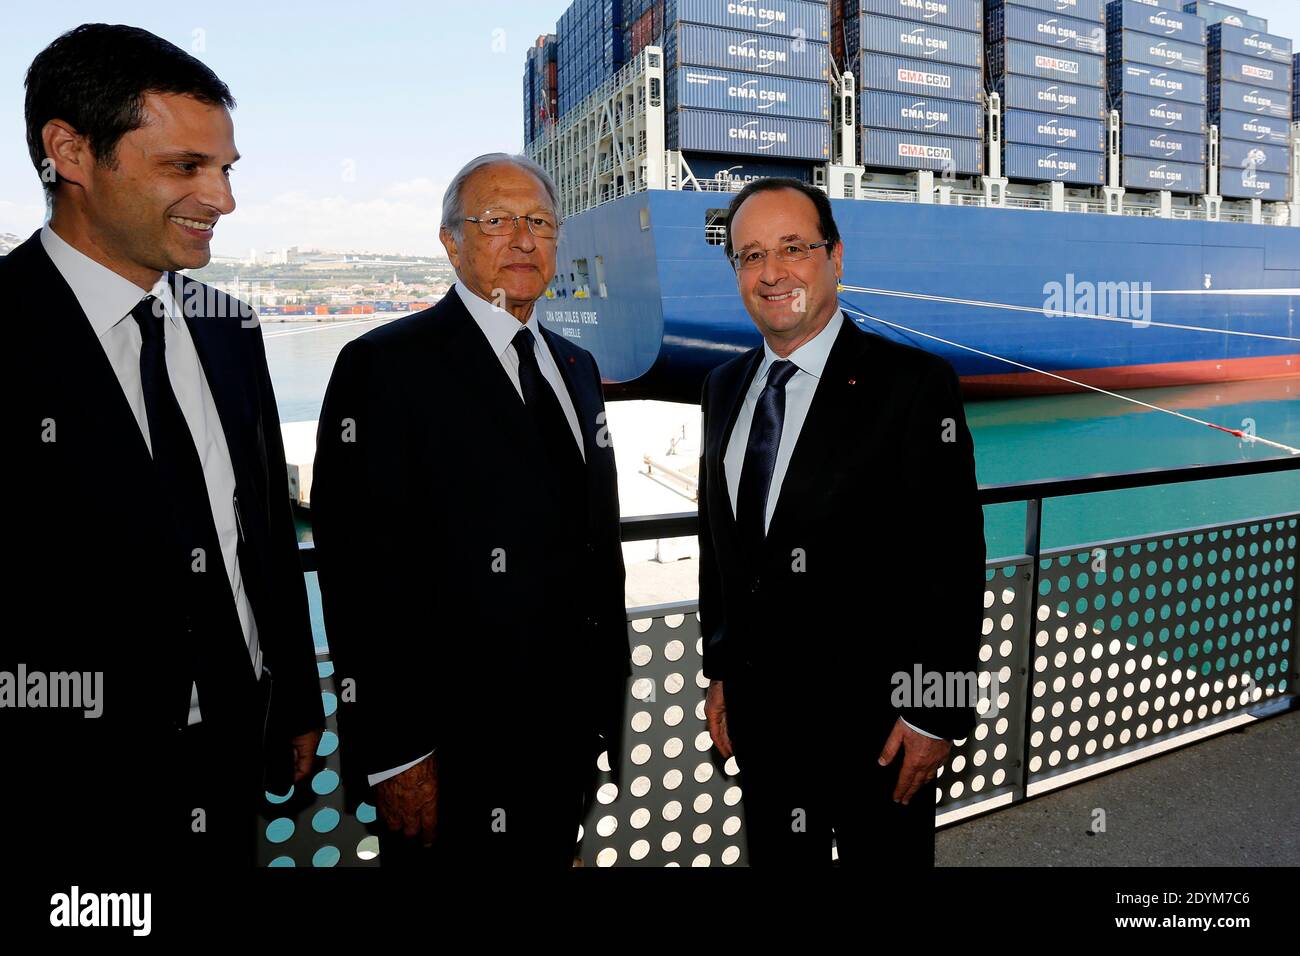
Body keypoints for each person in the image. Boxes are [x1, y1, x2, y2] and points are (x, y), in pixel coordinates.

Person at [0, 23, 324, 869]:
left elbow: (259, 535)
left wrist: (292, 698)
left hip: (233, 753)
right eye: (186, 167)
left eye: (225, 169)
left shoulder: (230, 330)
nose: (222, 200)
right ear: (69, 151)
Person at [311, 153, 629, 867]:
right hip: (450, 756)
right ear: (452, 243)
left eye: (540, 222)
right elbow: (361, 572)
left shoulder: (575, 368)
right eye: (496, 221)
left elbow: (589, 548)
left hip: (566, 740)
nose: (522, 239)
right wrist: (397, 755)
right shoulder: (384, 368)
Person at [697, 177, 986, 866]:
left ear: (836, 257)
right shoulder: (723, 388)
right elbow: (722, 549)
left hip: (880, 731)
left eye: (793, 247)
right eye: (750, 255)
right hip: (763, 724)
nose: (771, 272)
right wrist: (720, 668)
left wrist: (935, 714)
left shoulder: (914, 386)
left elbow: (952, 562)